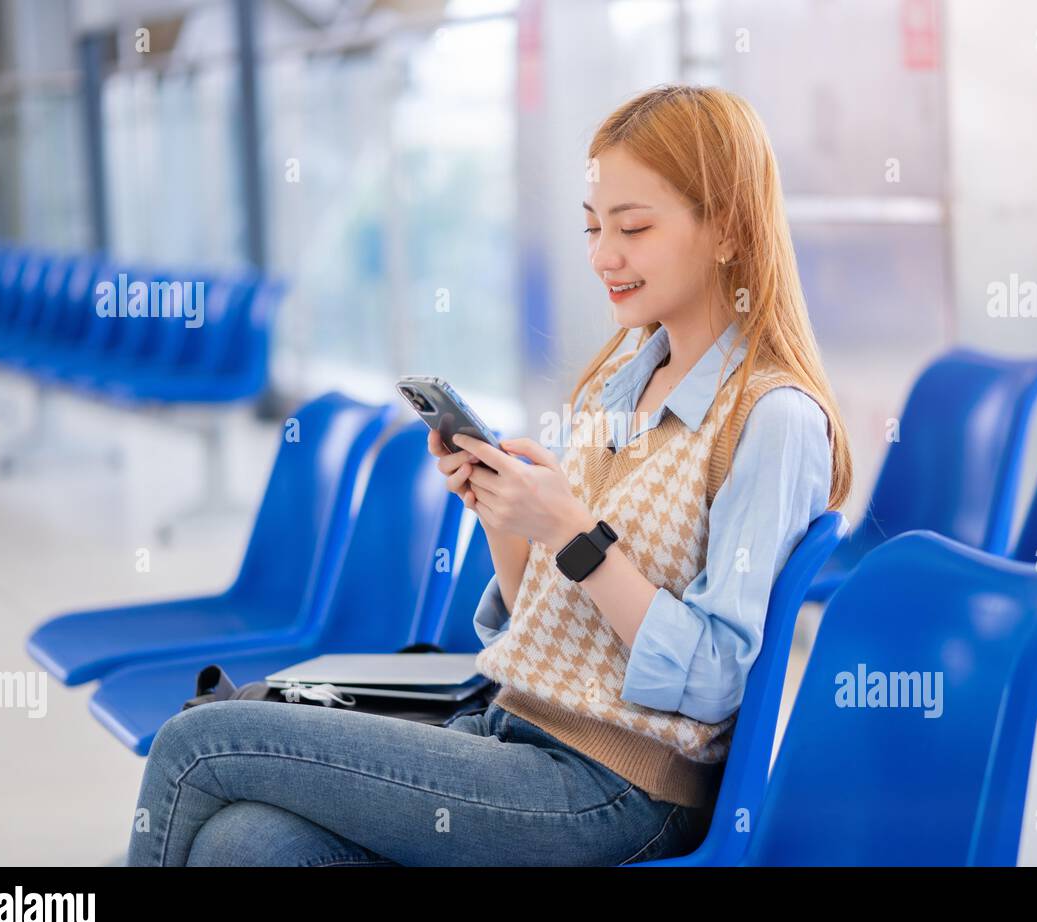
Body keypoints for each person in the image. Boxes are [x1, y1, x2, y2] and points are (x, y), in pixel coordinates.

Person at [126, 83, 852, 867]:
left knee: (198, 742)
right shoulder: (623, 382)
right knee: (247, 847)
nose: (604, 257)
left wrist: (575, 535)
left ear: (728, 230)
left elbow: (715, 682)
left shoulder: (771, 420)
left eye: (634, 228)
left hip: (614, 790)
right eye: (593, 228)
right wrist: (507, 522)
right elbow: (538, 626)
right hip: (510, 735)